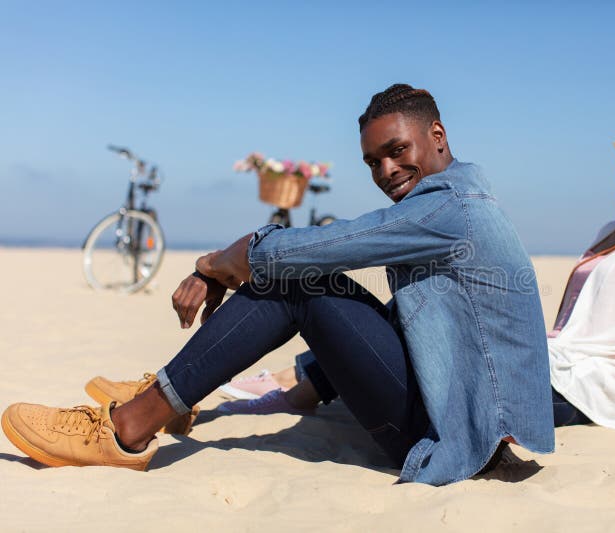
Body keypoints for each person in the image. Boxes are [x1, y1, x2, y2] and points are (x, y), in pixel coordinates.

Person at [2, 84, 561, 485]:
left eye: (398, 151)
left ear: (436, 136)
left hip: (458, 439)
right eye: (372, 162)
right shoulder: (460, 200)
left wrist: (215, 262)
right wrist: (310, 382)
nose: (386, 171)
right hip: (459, 416)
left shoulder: (452, 209)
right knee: (300, 276)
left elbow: (325, 244)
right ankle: (175, 393)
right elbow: (427, 324)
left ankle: (128, 427)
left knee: (295, 278)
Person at [214, 117, 615, 453]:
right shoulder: (605, 233)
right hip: (558, 369)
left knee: (441, 305)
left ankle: (302, 382)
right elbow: (598, 332)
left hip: (566, 388)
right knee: (441, 298)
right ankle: (305, 379)